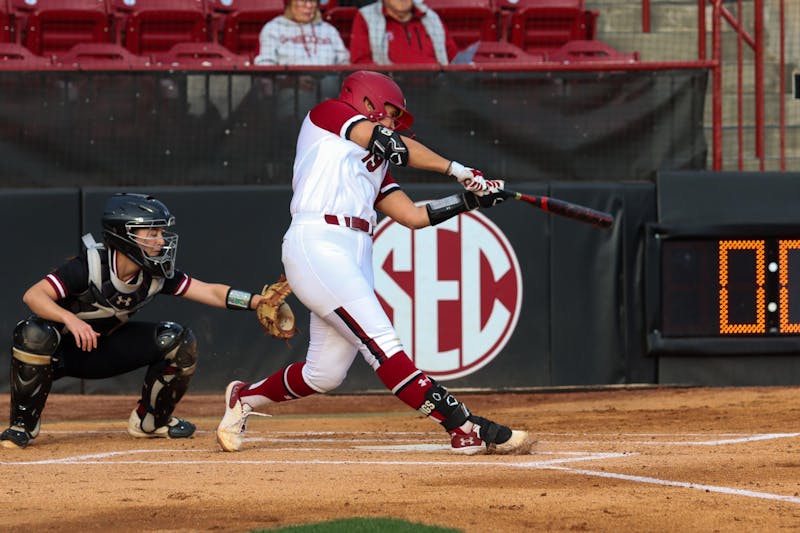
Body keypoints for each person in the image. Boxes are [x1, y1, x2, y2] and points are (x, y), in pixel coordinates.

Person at [216, 70, 532, 456]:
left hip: (356, 249)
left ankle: (243, 397)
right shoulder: (328, 115)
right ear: (368, 102)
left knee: (325, 373)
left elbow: (413, 216)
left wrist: (470, 201)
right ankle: (462, 426)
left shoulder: (374, 163)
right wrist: (460, 172)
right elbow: (391, 142)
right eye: (390, 114)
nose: (393, 123)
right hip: (318, 241)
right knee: (382, 345)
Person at [0, 193, 271, 449]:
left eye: (162, 232)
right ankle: (23, 425)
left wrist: (256, 302)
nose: (161, 240)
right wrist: (69, 319)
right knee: (33, 332)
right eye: (152, 233)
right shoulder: (90, 266)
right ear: (124, 236)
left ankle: (151, 422)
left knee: (176, 339)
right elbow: (33, 296)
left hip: (101, 352)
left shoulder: (156, 274)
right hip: (58, 354)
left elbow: (210, 291)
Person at [349, 0, 458, 65]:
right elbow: (361, 63)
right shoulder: (366, 16)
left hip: (436, 88)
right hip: (390, 91)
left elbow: (453, 58)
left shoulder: (431, 18)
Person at [253, 0, 349, 66]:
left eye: (313, 1)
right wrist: (288, 81)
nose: (309, 6)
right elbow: (265, 66)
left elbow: (344, 63)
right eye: (303, 0)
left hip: (328, 89)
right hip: (286, 90)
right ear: (290, 3)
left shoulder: (329, 30)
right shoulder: (273, 28)